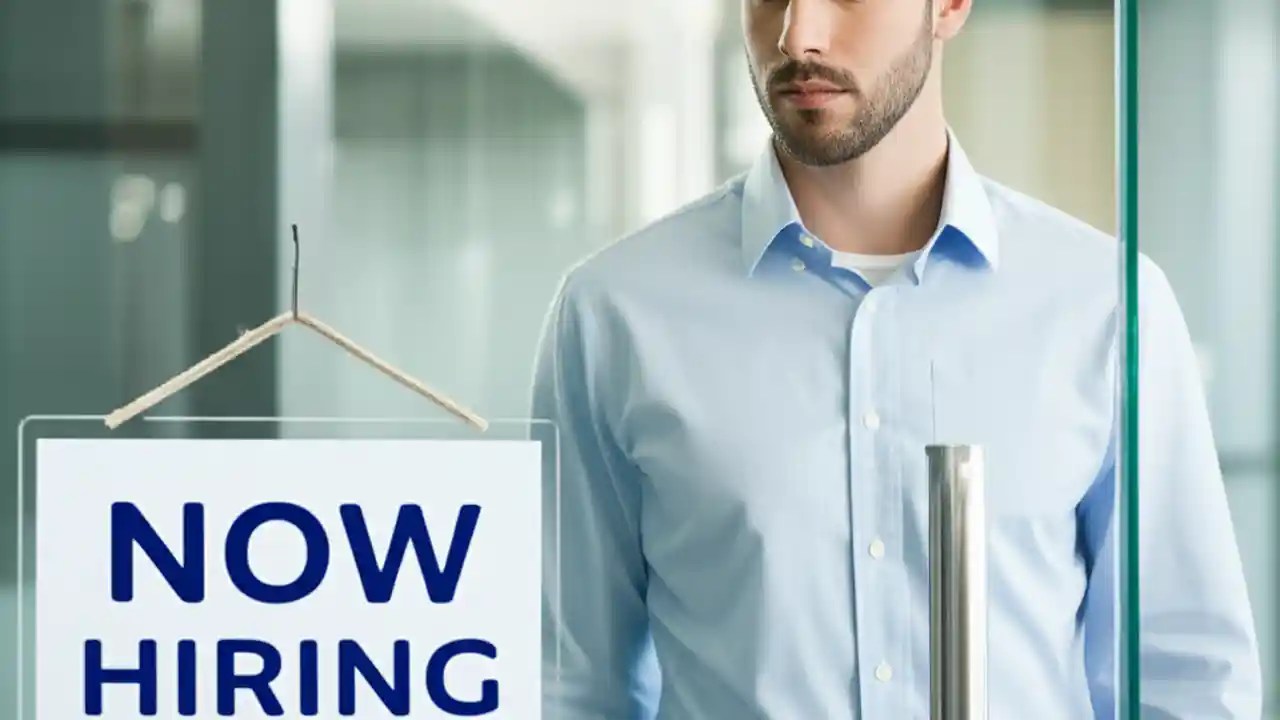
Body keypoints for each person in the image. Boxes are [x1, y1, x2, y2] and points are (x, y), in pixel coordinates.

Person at [531, 0, 1262, 717]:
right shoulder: (614, 314)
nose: (797, 34)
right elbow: (569, 685)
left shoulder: (1106, 304)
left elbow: (1187, 681)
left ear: (950, 6)